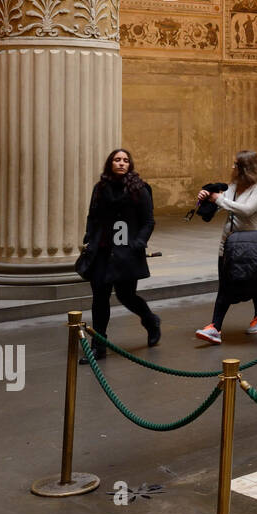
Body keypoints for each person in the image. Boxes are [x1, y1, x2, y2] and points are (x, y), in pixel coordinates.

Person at [79, 148, 160, 360]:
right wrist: (89, 237)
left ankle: (151, 320)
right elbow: (92, 215)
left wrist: (138, 243)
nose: (121, 163)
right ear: (110, 163)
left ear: (130, 164)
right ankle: (99, 346)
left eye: (125, 160)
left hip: (126, 253)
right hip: (102, 253)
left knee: (126, 296)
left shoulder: (139, 189)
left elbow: (148, 221)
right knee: (99, 299)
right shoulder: (100, 188)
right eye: (117, 160)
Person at [196, 150, 257, 344]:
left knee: (256, 283)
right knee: (226, 284)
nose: (232, 168)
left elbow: (246, 210)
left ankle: (256, 318)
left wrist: (219, 199)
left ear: (246, 168)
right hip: (229, 244)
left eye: (235, 165)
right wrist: (207, 197)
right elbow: (224, 205)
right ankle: (216, 327)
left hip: (251, 244)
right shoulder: (235, 186)